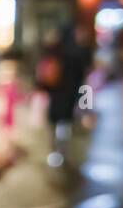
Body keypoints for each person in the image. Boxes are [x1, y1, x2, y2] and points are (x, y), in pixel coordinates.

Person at [38, 24, 92, 165]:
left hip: (55, 95)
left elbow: (44, 72)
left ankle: (54, 148)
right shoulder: (78, 53)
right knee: (65, 123)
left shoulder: (54, 51)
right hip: (69, 96)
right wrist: (83, 99)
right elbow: (82, 78)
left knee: (54, 122)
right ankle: (62, 150)